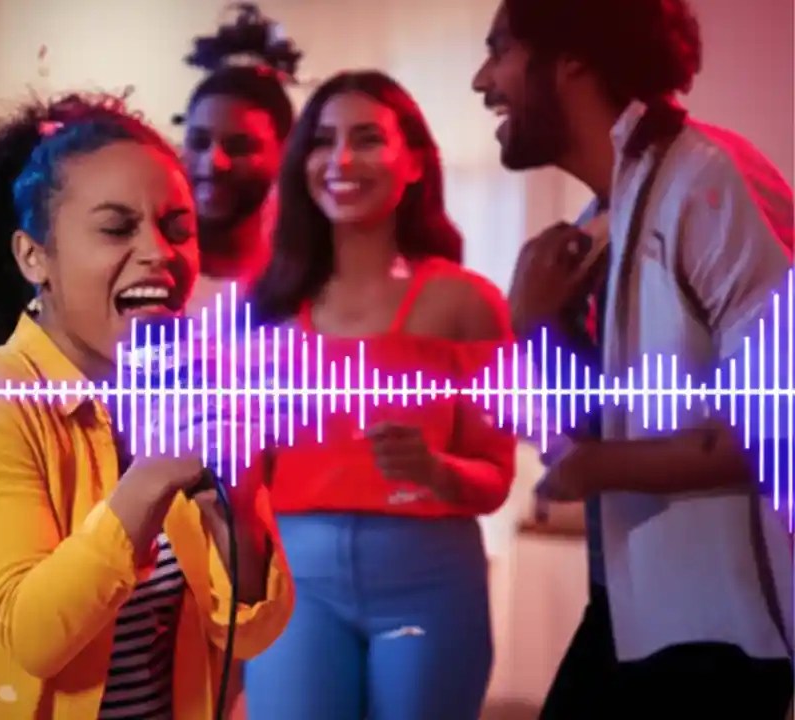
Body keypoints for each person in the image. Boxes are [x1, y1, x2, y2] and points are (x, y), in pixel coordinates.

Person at [0, 93, 294, 718]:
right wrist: (151, 478)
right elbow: (35, 635)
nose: (159, 251)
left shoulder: (194, 390)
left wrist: (241, 510)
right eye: (117, 228)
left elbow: (251, 633)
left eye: (178, 227)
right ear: (33, 256)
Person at [473, 0, 794, 716]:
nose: (482, 79)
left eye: (500, 49)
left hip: (727, 634)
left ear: (572, 54)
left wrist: (599, 469)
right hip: (631, 614)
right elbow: (583, 435)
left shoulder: (710, 181)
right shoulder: (603, 219)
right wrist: (535, 326)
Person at [242, 70, 516, 720]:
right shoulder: (270, 308)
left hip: (429, 585)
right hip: (297, 586)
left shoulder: (467, 303)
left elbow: (496, 479)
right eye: (323, 140)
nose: (340, 160)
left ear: (415, 161)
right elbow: (242, 476)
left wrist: (432, 469)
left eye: (367, 139)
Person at [177, 3, 297, 314]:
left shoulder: (304, 284)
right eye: (199, 142)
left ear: (286, 152)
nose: (214, 162)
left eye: (240, 146)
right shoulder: (151, 273)